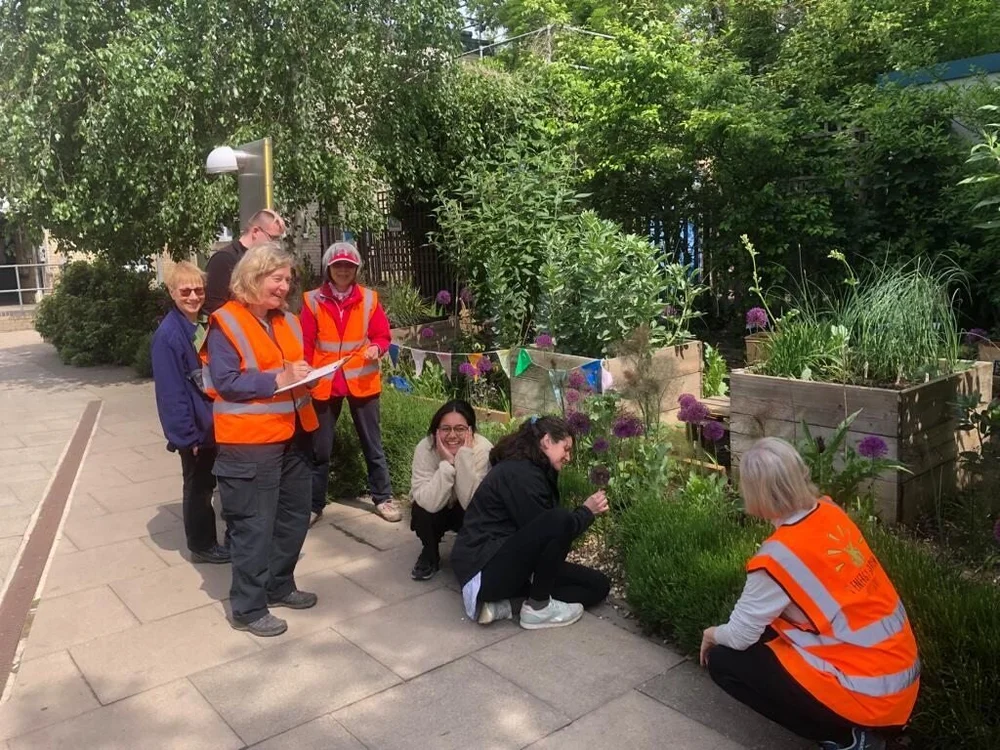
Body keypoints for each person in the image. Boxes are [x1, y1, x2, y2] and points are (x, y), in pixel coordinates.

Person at [700, 438, 920, 750]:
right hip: (896, 673)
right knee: (768, 629)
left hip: (872, 695)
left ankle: (847, 739)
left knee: (724, 660)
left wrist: (710, 634)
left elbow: (739, 636)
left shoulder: (775, 560)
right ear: (798, 473)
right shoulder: (830, 513)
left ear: (754, 493)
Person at [204, 242, 319, 638]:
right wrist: (278, 379)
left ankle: (279, 584)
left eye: (288, 279)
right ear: (253, 278)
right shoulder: (225, 322)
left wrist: (306, 374)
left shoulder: (286, 320)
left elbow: (291, 370)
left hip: (292, 436)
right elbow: (226, 382)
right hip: (248, 444)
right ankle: (249, 608)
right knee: (253, 526)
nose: (285, 286)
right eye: (278, 278)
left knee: (292, 517)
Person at [451, 416, 611, 630]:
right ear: (546, 441)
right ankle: (538, 607)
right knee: (559, 518)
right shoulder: (520, 473)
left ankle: (509, 606)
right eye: (566, 448)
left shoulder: (534, 470)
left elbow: (542, 541)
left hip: (507, 564)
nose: (568, 457)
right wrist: (586, 511)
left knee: (596, 585)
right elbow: (550, 530)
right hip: (483, 571)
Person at [300, 241, 398, 524]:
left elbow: (382, 336)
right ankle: (314, 504)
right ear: (328, 268)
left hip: (361, 381)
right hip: (324, 382)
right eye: (338, 265)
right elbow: (305, 341)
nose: (343, 270)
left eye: (348, 266)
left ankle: (383, 498)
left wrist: (377, 349)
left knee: (373, 445)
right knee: (320, 449)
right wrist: (305, 373)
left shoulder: (369, 299)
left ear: (356, 269)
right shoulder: (311, 300)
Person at [150, 261, 229, 565]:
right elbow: (171, 395)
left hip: (215, 420)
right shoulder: (168, 336)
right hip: (197, 429)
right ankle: (202, 545)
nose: (194, 296)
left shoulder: (205, 323)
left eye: (198, 289)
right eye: (185, 290)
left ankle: (211, 540)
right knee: (199, 487)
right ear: (172, 292)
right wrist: (186, 437)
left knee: (210, 482)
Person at [409, 400, 493, 581]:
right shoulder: (425, 448)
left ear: (470, 430)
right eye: (446, 429)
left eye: (460, 429)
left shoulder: (483, 449)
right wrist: (446, 464)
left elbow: (473, 503)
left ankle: (472, 555)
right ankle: (430, 553)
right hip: (436, 506)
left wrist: (463, 457)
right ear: (436, 430)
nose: (452, 435)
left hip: (465, 509)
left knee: (480, 516)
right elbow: (427, 501)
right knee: (421, 510)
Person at [204, 209, 287, 313]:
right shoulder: (224, 259)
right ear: (256, 231)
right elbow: (213, 307)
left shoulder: (267, 262)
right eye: (273, 238)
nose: (276, 245)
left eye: (278, 240)